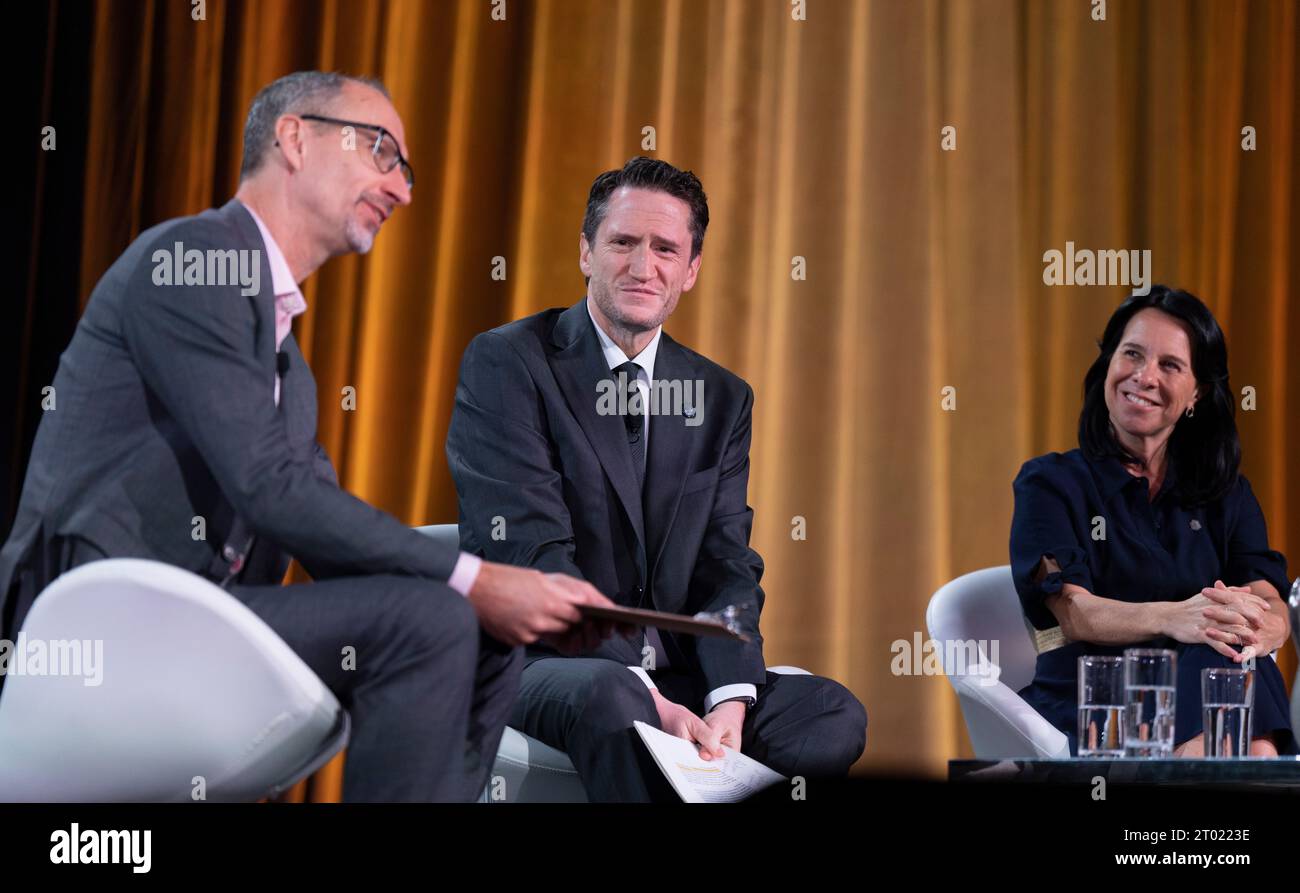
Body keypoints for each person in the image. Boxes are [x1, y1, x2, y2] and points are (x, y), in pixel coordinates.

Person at [0, 71, 617, 801]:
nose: (403, 190)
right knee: (430, 619)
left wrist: (505, 595)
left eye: (406, 168)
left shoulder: (290, 364)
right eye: (382, 151)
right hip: (105, 623)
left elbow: (319, 526)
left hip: (205, 620)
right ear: (294, 138)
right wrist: (473, 580)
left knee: (478, 625)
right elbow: (271, 487)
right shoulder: (192, 261)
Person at [445, 156, 867, 801]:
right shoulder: (508, 362)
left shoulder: (721, 397)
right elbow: (530, 552)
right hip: (550, 666)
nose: (644, 267)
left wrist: (729, 700)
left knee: (829, 712)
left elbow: (726, 559)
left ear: (691, 270)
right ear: (587, 252)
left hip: (680, 673)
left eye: (666, 248)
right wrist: (651, 698)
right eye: (623, 242)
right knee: (614, 699)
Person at [1010, 285, 1294, 755]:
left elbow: (1265, 592)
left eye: (1169, 365)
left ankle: (1211, 763)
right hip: (1097, 704)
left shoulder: (1226, 492)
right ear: (1108, 366)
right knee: (1224, 657)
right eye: (1132, 354)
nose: (1144, 376)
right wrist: (1183, 618)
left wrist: (1272, 628)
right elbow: (1073, 612)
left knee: (1233, 649)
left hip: (1203, 684)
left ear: (1197, 393)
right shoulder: (1050, 483)